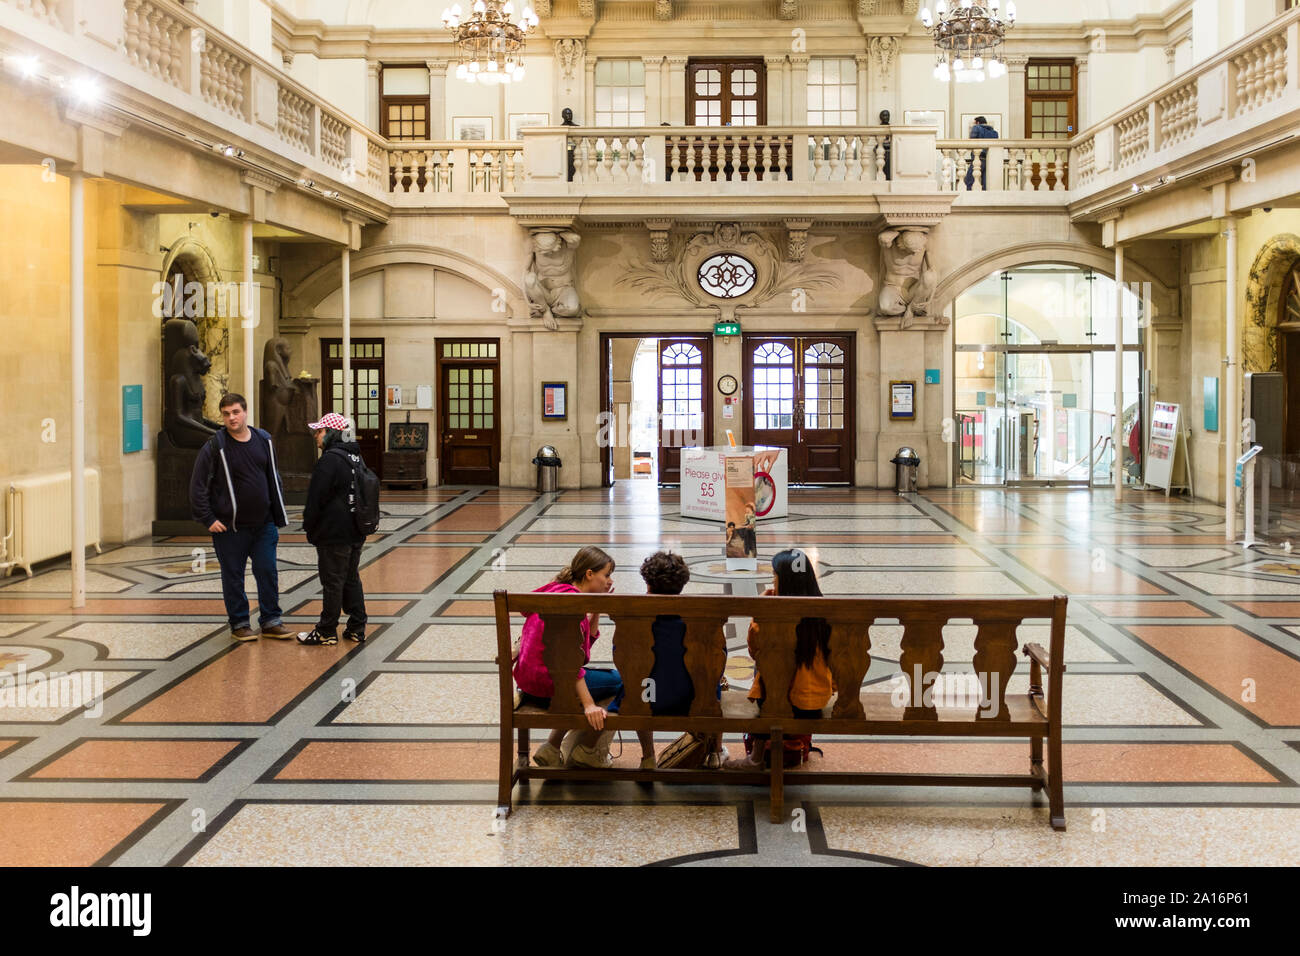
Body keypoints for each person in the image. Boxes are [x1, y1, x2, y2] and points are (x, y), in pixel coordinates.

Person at [516, 547, 651, 769]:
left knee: (602, 680)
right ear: (589, 574)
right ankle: (589, 749)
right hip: (549, 683)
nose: (609, 581)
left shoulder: (557, 591)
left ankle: (552, 747)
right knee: (623, 682)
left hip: (529, 681)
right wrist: (589, 704)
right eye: (606, 575)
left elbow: (581, 649)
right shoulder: (571, 605)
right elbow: (570, 661)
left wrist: (596, 607)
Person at [189, 392, 292, 641]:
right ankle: (239, 622)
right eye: (226, 414)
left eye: (235, 412)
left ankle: (271, 619)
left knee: (267, 570)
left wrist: (277, 513)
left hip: (264, 524)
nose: (231, 418)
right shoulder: (215, 446)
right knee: (233, 575)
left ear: (245, 412)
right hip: (230, 528)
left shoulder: (263, 439)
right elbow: (197, 485)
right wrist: (208, 518)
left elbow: (273, 477)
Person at [724, 548, 834, 770]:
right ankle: (792, 745)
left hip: (777, 702)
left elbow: (755, 652)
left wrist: (762, 610)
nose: (772, 581)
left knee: (767, 671)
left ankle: (755, 757)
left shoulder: (772, 614)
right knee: (786, 673)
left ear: (785, 582)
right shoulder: (825, 613)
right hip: (814, 702)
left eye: (774, 576)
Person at [636, 551, 728, 767]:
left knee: (637, 681)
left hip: (648, 698)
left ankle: (648, 756)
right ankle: (714, 753)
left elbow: (623, 659)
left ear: (648, 586)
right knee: (714, 682)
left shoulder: (635, 622)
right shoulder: (700, 623)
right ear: (682, 585)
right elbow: (718, 664)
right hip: (696, 699)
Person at [297, 412, 368, 646]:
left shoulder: (329, 460)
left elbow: (316, 499)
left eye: (320, 431)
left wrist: (309, 527)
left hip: (334, 533)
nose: (316, 435)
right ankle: (357, 627)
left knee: (332, 581)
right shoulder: (355, 457)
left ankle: (326, 630)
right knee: (350, 577)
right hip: (356, 529)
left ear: (331, 433)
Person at [964, 115, 999, 190]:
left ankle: (969, 197)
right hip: (989, 159)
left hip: (978, 157)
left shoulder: (976, 127)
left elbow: (971, 141)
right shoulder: (994, 132)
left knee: (969, 180)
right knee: (986, 182)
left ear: (978, 122)